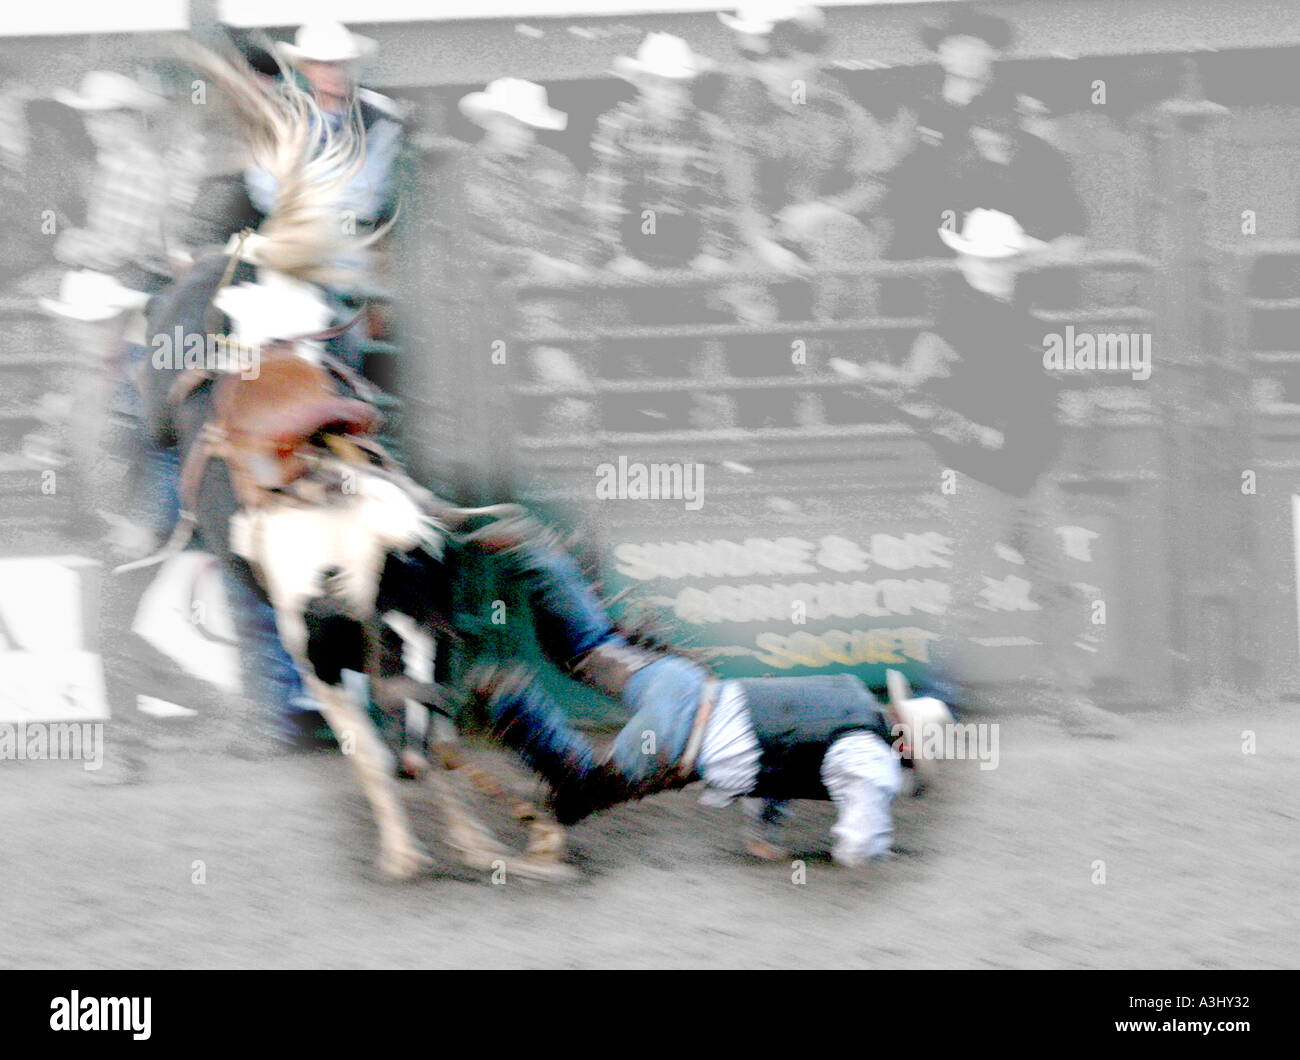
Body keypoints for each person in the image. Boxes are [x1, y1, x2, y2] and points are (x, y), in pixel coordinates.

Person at [462, 514, 952, 865]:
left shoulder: (844, 697)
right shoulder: (869, 759)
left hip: (684, 684)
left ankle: (542, 558)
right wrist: (877, 852)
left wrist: (763, 834)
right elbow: (857, 843)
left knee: (595, 645)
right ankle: (509, 700)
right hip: (678, 741)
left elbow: (783, 766)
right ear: (904, 746)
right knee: (583, 785)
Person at [833, 209, 1125, 737]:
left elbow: (919, 395)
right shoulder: (953, 324)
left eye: (1005, 258)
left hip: (1026, 474)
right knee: (973, 597)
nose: (1000, 267)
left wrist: (1055, 413)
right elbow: (914, 397)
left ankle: (1063, 700)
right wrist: (978, 435)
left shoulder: (1017, 319)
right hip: (984, 477)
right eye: (992, 257)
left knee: (1053, 589)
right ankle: (937, 709)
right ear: (969, 259)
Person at [714, 1, 898, 426]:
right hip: (769, 243)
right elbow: (742, 198)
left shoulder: (843, 110)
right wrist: (766, 246)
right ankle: (763, 430)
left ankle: (851, 413)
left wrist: (823, 210)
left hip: (836, 245)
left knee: (846, 265)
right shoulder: (740, 115)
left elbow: (877, 182)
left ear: (808, 56)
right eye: (755, 57)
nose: (768, 68)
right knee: (744, 298)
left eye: (779, 56)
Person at [586, 32, 739, 430]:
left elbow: (716, 201)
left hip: (687, 252)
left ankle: (698, 426)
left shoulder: (708, 130)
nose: (669, 93)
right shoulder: (617, 128)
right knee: (618, 328)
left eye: (676, 85)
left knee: (703, 329)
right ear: (643, 85)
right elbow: (605, 203)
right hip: (631, 250)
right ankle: (622, 425)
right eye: (659, 84)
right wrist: (619, 257)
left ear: (687, 88)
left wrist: (713, 254)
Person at [246, 20, 406, 371]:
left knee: (346, 329)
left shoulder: (378, 118)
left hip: (350, 246)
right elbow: (265, 188)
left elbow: (371, 193)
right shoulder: (281, 115)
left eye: (340, 63)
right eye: (324, 64)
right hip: (295, 242)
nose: (334, 73)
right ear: (306, 68)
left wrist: (307, 194)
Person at [456, 77, 596, 436]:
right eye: (515, 124)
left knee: (591, 387)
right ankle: (558, 459)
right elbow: (463, 245)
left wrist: (578, 261)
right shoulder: (461, 173)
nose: (525, 134)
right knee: (569, 393)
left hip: (573, 301)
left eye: (529, 126)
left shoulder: (557, 164)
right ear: (490, 122)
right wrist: (528, 262)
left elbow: (587, 223)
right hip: (502, 306)